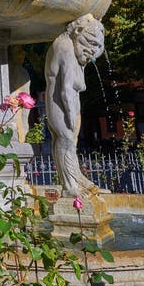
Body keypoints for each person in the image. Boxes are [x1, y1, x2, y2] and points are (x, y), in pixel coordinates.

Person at [45, 14, 106, 196]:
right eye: (91, 43)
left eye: (98, 46)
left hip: (68, 101)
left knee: (71, 142)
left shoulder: (71, 44)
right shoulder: (66, 47)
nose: (94, 51)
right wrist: (71, 113)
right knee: (65, 139)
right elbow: (66, 88)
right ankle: (69, 186)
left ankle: (77, 178)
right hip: (61, 103)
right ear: (78, 31)